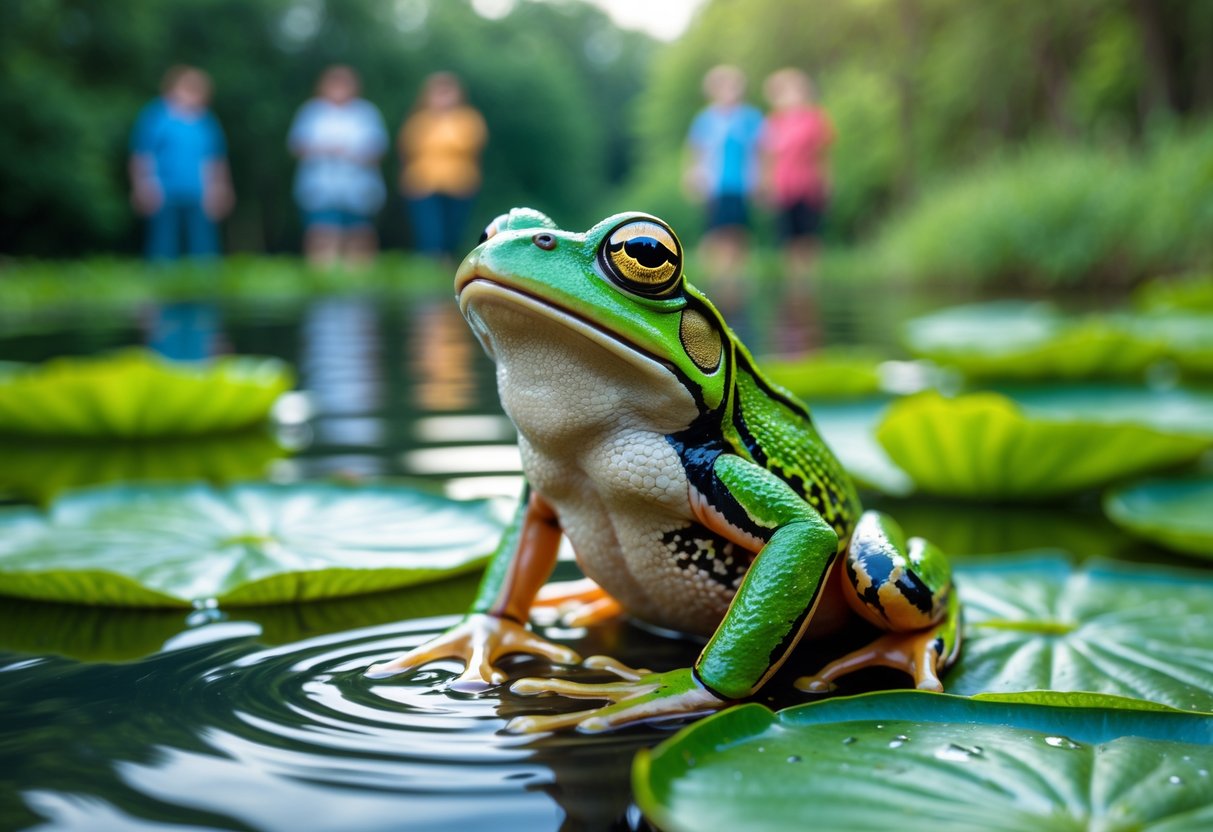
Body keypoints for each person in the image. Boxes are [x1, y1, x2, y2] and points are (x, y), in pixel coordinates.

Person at [288, 65, 389, 268]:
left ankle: (358, 274)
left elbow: (378, 149)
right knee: (321, 231)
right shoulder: (312, 112)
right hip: (320, 186)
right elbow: (296, 145)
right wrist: (324, 149)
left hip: (358, 187)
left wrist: (353, 154)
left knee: (359, 233)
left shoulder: (366, 113)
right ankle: (321, 273)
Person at [129, 66, 234, 260]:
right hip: (163, 191)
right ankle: (161, 280)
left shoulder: (206, 122)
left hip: (200, 193)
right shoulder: (156, 116)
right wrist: (142, 185)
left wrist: (220, 189)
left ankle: (205, 282)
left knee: (203, 243)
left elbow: (215, 161)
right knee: (163, 241)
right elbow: (143, 156)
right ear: (172, 88)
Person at [684, 65, 765, 311]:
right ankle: (715, 279)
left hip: (742, 185)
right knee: (716, 232)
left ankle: (737, 279)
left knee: (738, 231)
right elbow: (695, 151)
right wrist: (692, 177)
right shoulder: (706, 119)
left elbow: (762, 152)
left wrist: (763, 181)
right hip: (714, 185)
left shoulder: (750, 118)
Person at [398, 72, 488, 262]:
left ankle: (448, 261)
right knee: (428, 227)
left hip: (459, 182)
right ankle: (429, 261)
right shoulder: (419, 121)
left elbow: (473, 148)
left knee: (453, 228)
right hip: (424, 182)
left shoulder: (468, 119)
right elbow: (407, 151)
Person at [762, 68, 834, 280]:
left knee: (809, 235)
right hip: (783, 187)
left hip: (808, 185)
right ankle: (793, 279)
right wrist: (768, 187)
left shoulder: (815, 119)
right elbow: (768, 158)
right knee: (787, 237)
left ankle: (810, 277)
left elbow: (824, 155)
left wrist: (827, 184)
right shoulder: (774, 122)